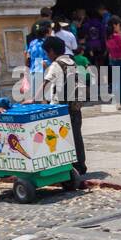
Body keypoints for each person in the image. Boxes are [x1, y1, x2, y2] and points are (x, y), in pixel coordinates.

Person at [42, 34, 87, 177]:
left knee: (61, 138)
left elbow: (45, 84)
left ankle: (67, 167)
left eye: (47, 53)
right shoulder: (71, 61)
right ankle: (80, 165)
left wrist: (33, 98)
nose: (47, 55)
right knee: (76, 136)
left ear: (51, 51)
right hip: (75, 106)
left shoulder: (56, 65)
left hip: (61, 109)